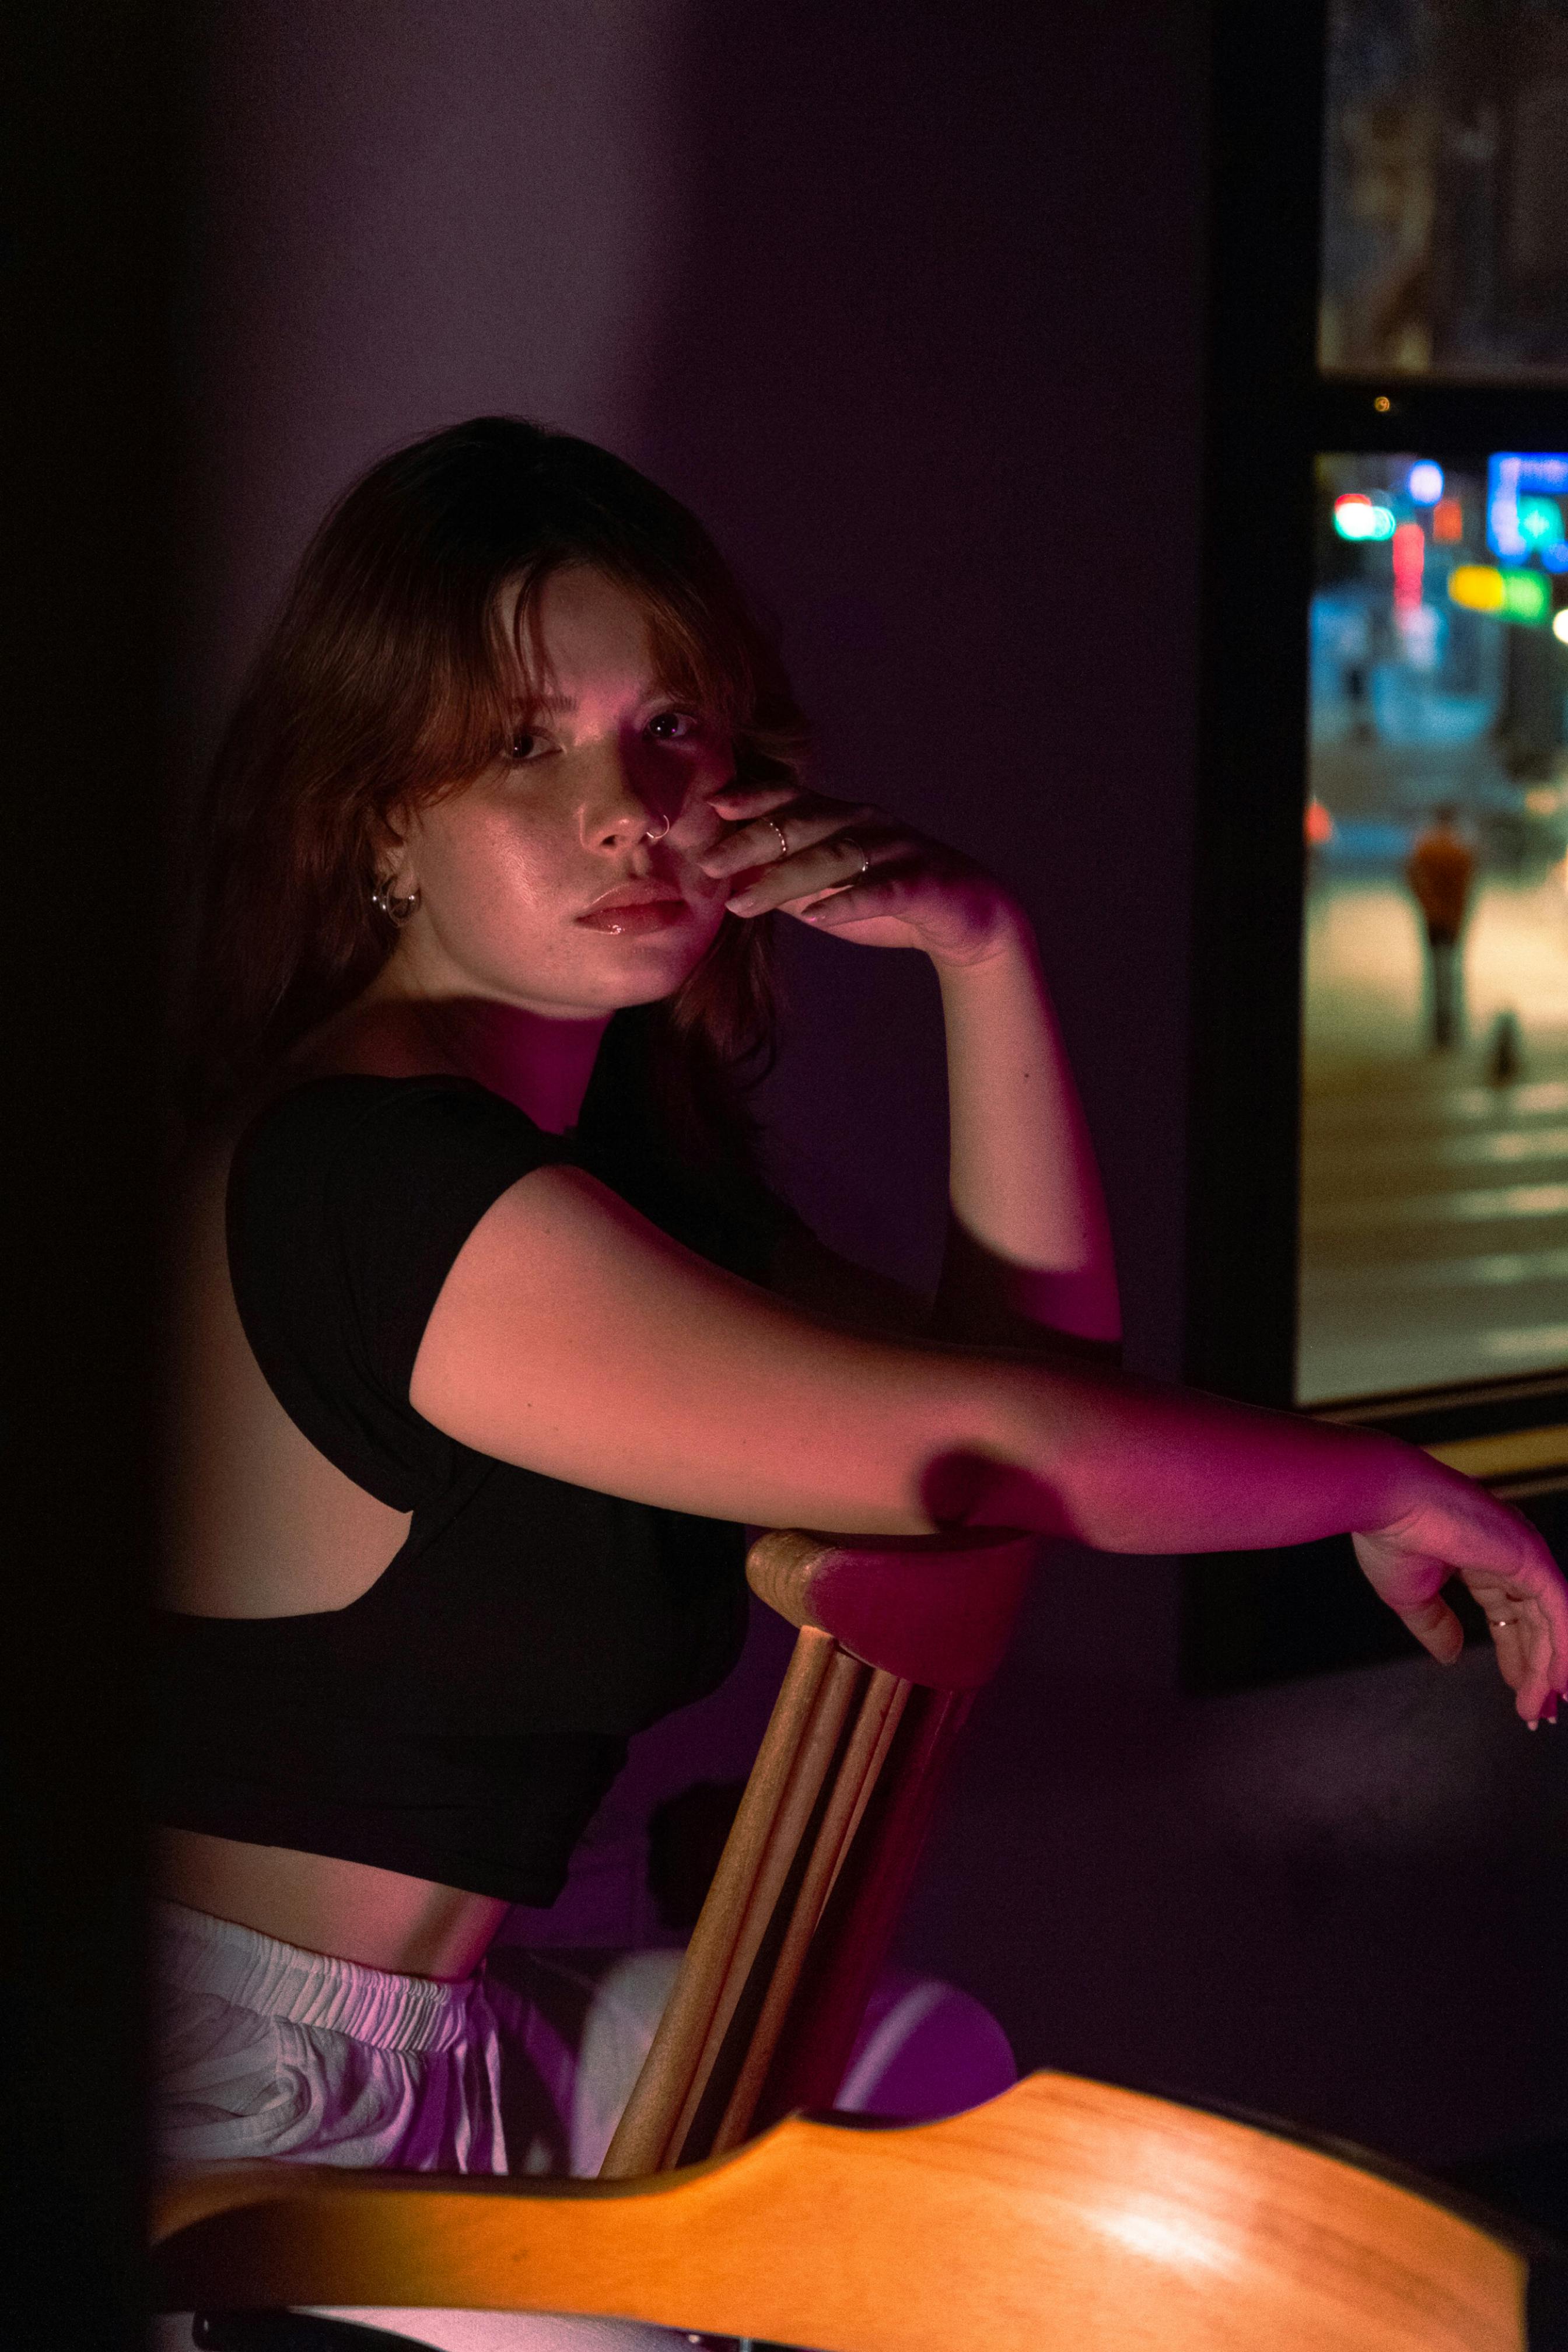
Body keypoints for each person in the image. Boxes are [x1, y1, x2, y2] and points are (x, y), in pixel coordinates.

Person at [152, 421, 1567, 2336]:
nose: (624, 808)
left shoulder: (606, 1193)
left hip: (433, 2044)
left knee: (928, 2064)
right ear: (381, 818)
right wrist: (1386, 1486)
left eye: (669, 732)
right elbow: (1001, 1449)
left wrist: (979, 958)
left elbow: (1035, 1387)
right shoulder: (374, 1181)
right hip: (214, 2109)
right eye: (518, 745)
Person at [1406, 803, 1475, 1048]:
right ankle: (1452, 1027)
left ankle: (1438, 1028)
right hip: (1454, 917)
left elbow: (1411, 875)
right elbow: (1468, 885)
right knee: (1453, 972)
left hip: (1433, 916)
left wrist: (1424, 902)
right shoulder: (1462, 848)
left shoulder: (1426, 846)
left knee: (1435, 971)